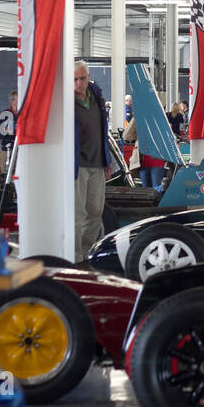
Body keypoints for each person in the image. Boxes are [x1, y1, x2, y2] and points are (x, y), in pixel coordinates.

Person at [73, 62, 112, 260]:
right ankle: (76, 257)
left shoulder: (96, 96)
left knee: (96, 211)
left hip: (97, 162)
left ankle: (87, 252)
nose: (79, 83)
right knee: (77, 214)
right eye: (75, 79)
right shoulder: (66, 101)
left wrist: (108, 159)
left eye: (82, 78)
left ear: (88, 78)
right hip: (77, 165)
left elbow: (103, 131)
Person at [0, 90, 18, 161]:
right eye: (17, 100)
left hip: (22, 149)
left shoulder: (25, 114)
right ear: (12, 101)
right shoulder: (4, 115)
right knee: (5, 170)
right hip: (6, 150)